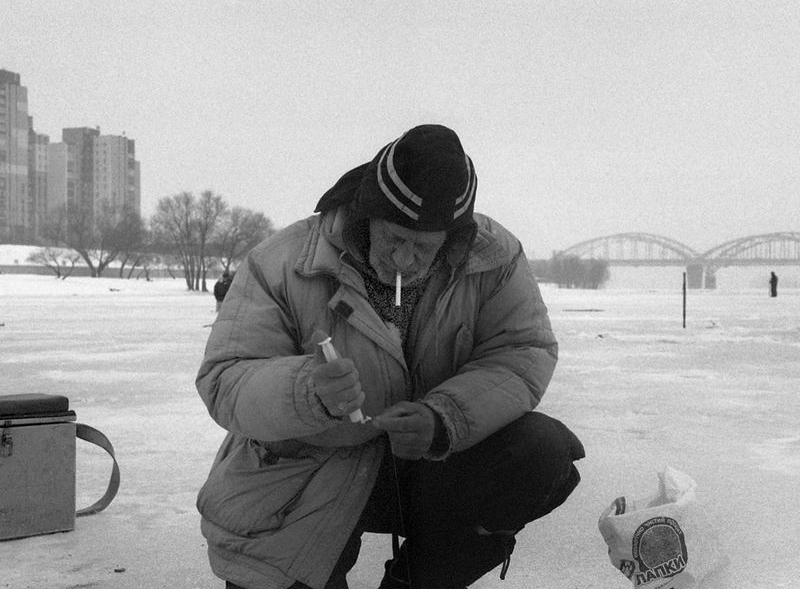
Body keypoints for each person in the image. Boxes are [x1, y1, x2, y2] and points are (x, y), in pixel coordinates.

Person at [195, 124, 584, 589]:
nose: (404, 260)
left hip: (429, 469)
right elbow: (224, 378)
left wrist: (444, 419)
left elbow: (523, 351)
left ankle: (416, 580)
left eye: (424, 247)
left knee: (541, 450)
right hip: (308, 470)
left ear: (454, 239)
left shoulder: (492, 260)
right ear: (367, 214)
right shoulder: (283, 262)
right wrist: (307, 391)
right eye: (394, 239)